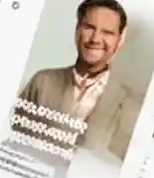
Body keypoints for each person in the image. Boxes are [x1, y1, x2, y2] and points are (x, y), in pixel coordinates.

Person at [16, 0, 141, 161]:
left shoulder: (131, 108)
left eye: (107, 32)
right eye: (89, 27)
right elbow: (12, 140)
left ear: (119, 40)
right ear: (77, 30)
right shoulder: (42, 82)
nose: (95, 38)